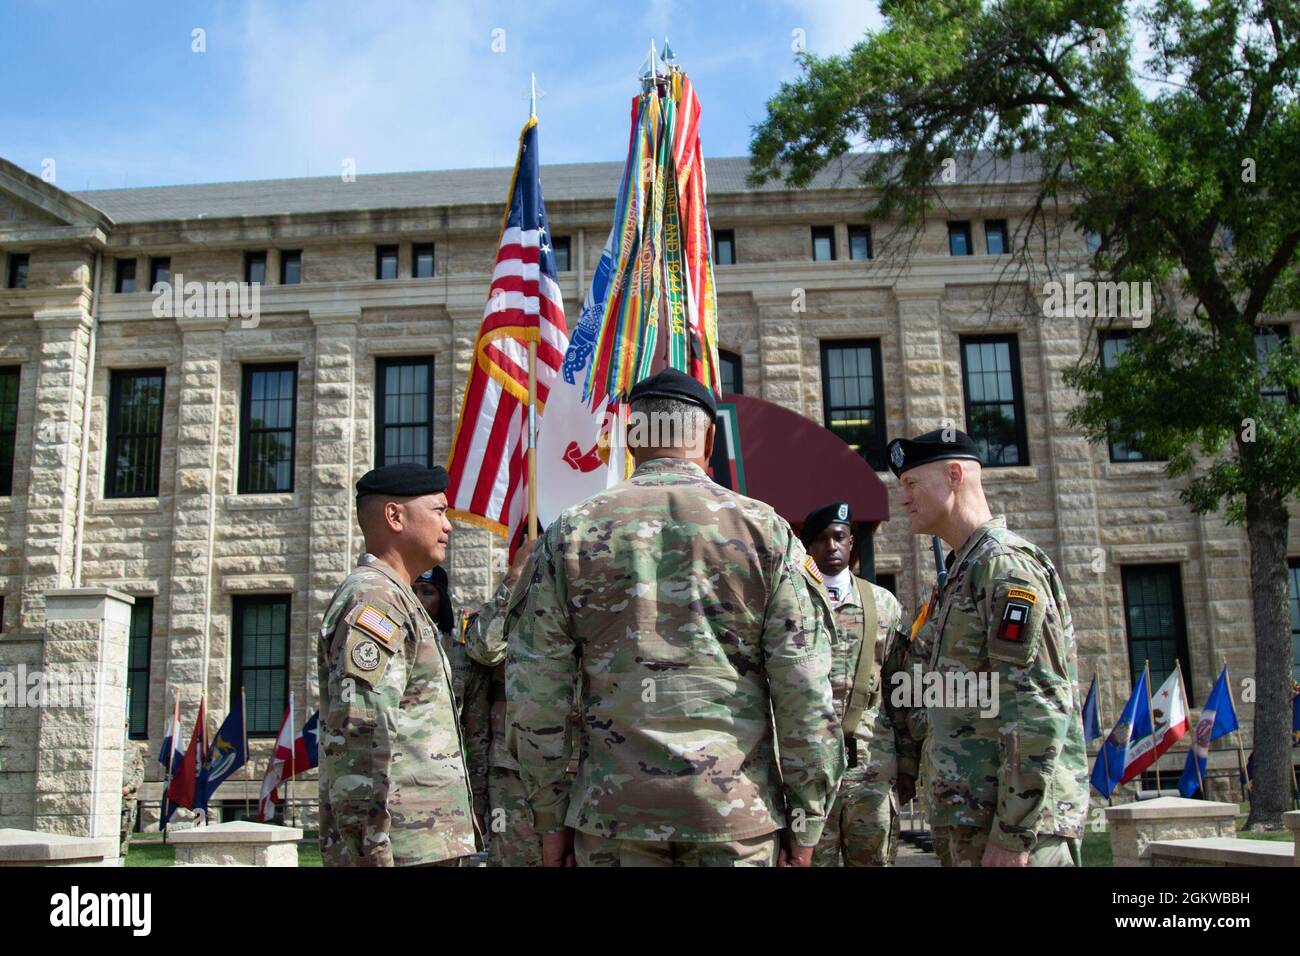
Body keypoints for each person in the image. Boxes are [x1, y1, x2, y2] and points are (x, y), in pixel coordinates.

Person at [507, 367, 844, 867]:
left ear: (628, 436)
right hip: (734, 816)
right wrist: (807, 821)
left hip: (612, 816)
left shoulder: (570, 533)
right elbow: (805, 689)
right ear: (709, 436)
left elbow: (536, 693)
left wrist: (549, 821)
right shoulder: (764, 531)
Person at [887, 428, 1088, 867]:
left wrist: (1014, 834)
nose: (903, 499)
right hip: (973, 823)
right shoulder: (965, 572)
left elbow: (1036, 703)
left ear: (954, 475)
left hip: (1016, 834)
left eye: (910, 484)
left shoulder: (1003, 568)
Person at [317, 463, 478, 866]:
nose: (449, 526)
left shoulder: (399, 597)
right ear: (395, 516)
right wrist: (371, 850)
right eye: (439, 511)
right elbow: (361, 732)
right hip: (403, 849)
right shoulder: (376, 599)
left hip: (425, 843)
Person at [801, 502, 908, 867]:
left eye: (839, 537)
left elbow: (901, 687)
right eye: (820, 539)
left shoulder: (884, 605)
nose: (830, 547)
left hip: (871, 766)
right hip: (809, 769)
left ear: (852, 545)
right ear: (807, 548)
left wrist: (908, 764)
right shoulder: (793, 602)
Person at [415, 567, 492, 834]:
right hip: (400, 781)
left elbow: (477, 737)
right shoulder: (392, 649)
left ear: (443, 600)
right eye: (413, 591)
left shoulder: (461, 658)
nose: (419, 599)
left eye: (428, 591)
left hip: (446, 781)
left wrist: (478, 805)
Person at [120, 734, 143, 859]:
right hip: (107, 798)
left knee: (124, 834)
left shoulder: (133, 747)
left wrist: (128, 788)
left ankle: (120, 862)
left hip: (127, 798)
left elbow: (140, 772)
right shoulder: (105, 742)